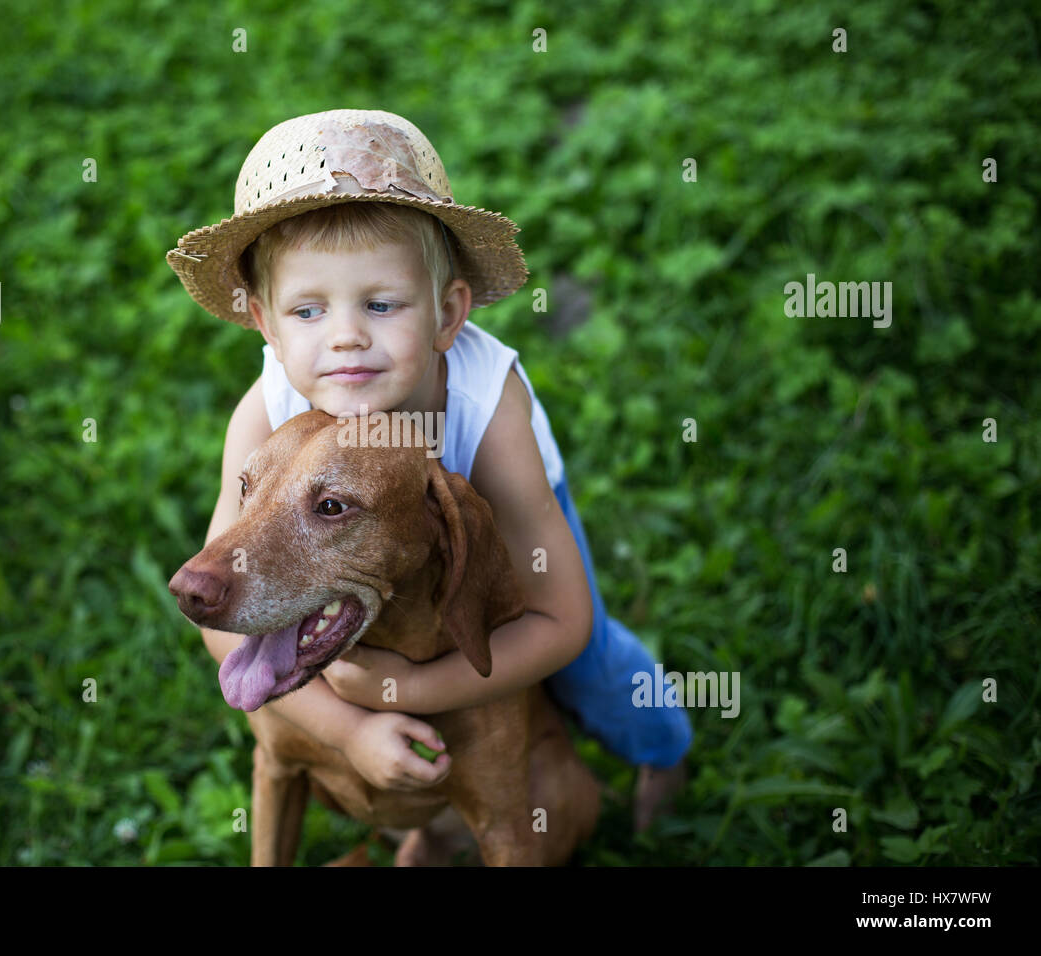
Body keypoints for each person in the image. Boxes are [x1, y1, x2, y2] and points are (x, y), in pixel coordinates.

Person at [168, 109, 690, 860]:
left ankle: (662, 751)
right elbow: (218, 587)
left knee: (587, 664)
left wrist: (402, 694)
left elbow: (560, 619)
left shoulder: (489, 402)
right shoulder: (265, 408)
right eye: (308, 310)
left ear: (448, 314)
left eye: (381, 304)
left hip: (509, 512)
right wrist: (349, 727)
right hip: (376, 532)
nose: (346, 336)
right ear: (266, 326)